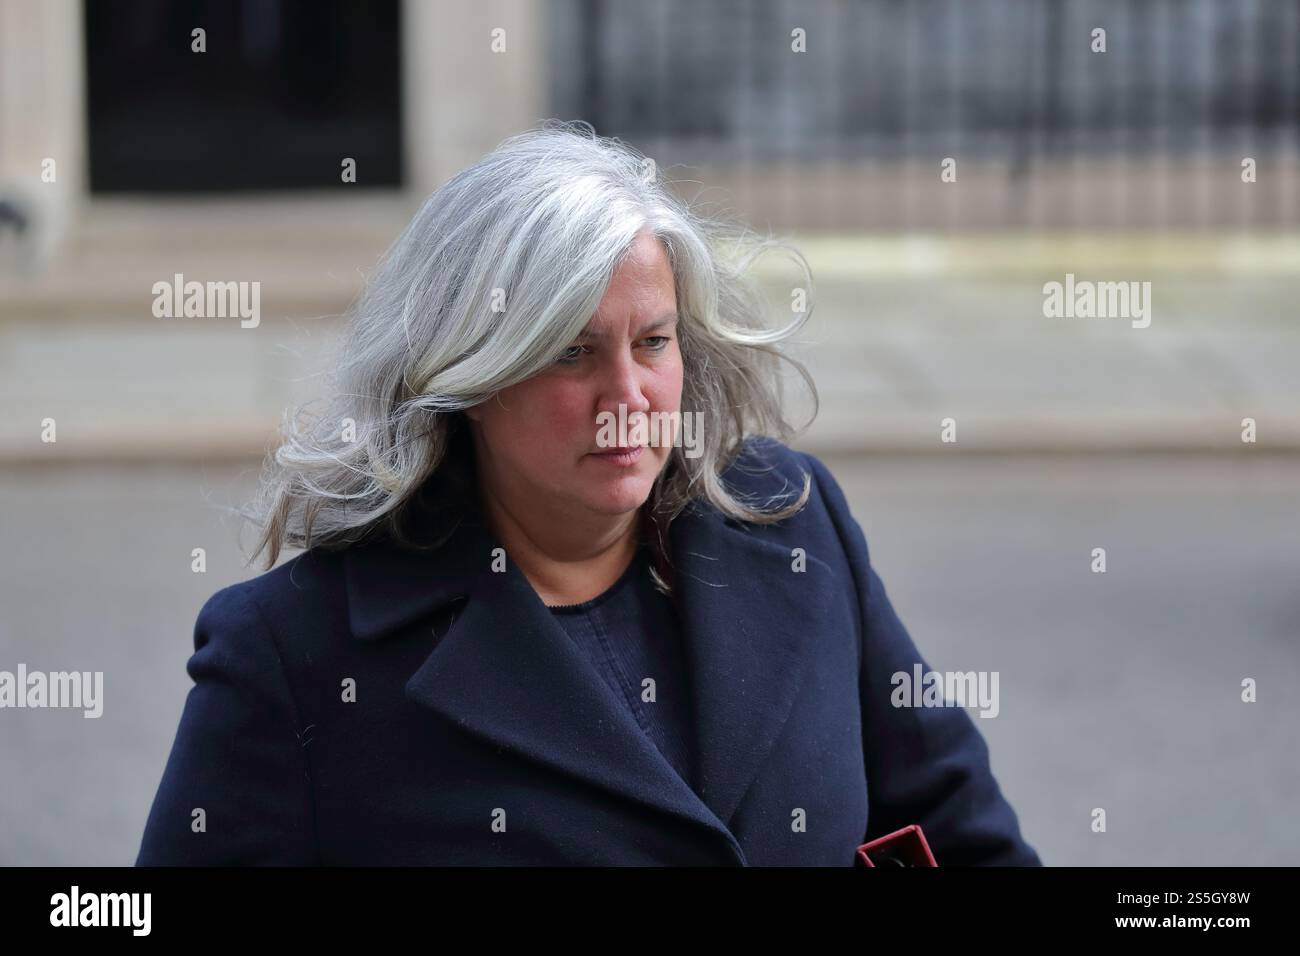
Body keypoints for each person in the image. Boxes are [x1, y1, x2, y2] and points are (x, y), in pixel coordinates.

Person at [135, 120, 1041, 866]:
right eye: (571, 351)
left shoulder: (793, 521)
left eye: (651, 342)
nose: (627, 396)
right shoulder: (294, 653)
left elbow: (961, 832)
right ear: (471, 378)